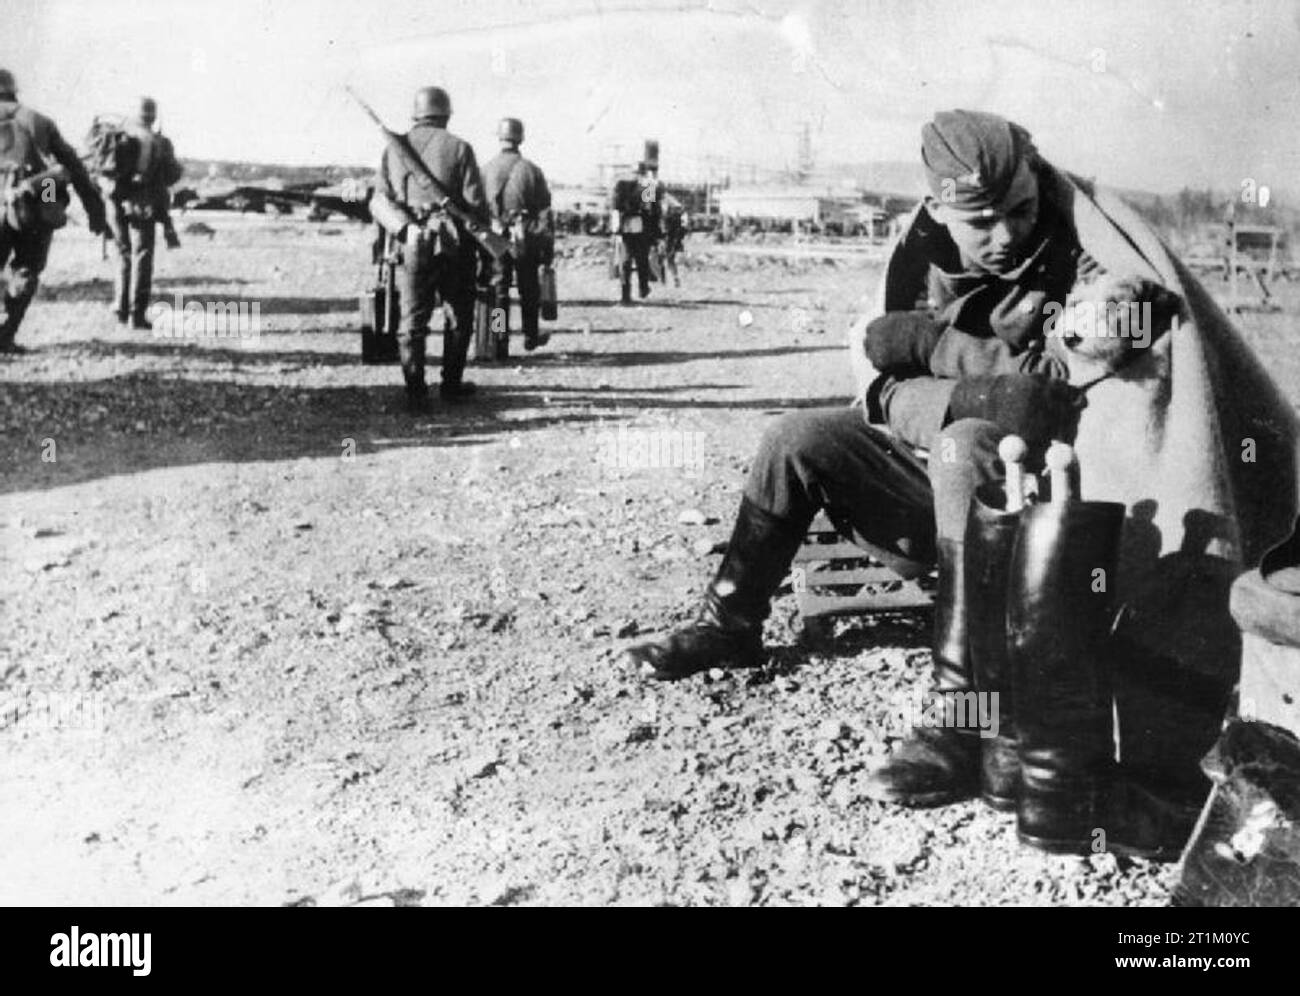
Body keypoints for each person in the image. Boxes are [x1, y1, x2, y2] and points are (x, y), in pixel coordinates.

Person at [623, 109, 1300, 858]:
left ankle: (960, 721)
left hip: (1049, 498)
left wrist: (935, 352)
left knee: (967, 443)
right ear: (941, 208)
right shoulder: (922, 254)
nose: (1005, 235)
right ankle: (731, 622)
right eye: (980, 220)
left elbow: (1062, 380)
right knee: (796, 438)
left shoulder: (1082, 247)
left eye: (1018, 210)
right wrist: (918, 385)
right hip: (940, 470)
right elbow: (880, 389)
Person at [370, 85, 488, 408]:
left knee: (412, 318)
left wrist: (405, 230)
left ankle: (415, 392)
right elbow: (476, 205)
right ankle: (451, 386)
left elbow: (379, 201)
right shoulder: (460, 148)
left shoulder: (394, 149)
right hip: (453, 244)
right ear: (445, 114)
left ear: (416, 114)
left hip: (409, 244)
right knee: (458, 315)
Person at [0, 68, 106, 353]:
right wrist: (95, 210)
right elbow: (73, 167)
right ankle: (5, 334)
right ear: (14, 90)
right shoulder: (40, 121)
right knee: (27, 267)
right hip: (34, 203)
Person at [104, 96, 183, 330]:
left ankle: (120, 307)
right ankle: (136, 315)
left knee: (122, 253)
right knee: (143, 255)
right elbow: (171, 176)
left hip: (114, 200)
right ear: (153, 115)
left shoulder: (117, 135)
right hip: (143, 202)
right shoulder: (158, 141)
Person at [482, 117, 553, 351]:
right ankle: (531, 335)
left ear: (500, 137)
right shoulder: (532, 171)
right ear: (520, 138)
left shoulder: (486, 170)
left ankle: (499, 337)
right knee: (529, 289)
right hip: (526, 238)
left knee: (498, 290)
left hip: (495, 238)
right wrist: (546, 248)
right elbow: (545, 213)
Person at [610, 151, 663, 305]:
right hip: (639, 229)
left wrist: (615, 230)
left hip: (627, 228)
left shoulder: (621, 185)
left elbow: (615, 209)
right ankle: (641, 288)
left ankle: (627, 294)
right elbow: (650, 210)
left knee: (626, 261)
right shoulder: (646, 185)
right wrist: (656, 232)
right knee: (640, 260)